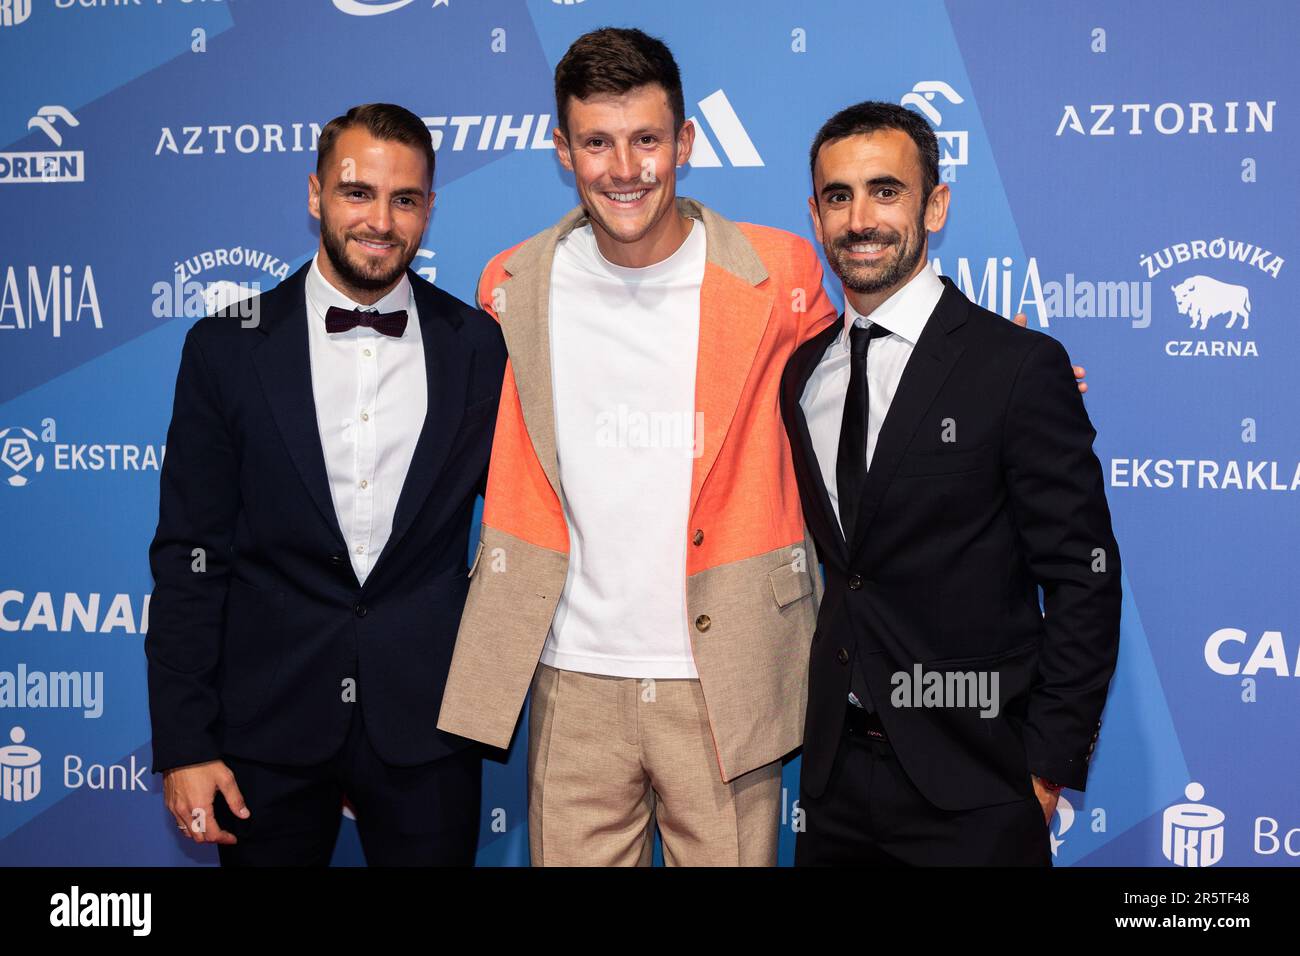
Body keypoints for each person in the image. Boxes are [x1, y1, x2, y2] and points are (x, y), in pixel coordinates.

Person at [436, 27, 835, 866]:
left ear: (684, 143)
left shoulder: (778, 272)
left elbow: (846, 401)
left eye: (647, 140)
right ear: (562, 149)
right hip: (568, 672)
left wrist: (971, 372)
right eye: (597, 142)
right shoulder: (512, 284)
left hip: (728, 671)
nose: (625, 169)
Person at [146, 103, 505, 865]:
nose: (380, 220)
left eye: (404, 199)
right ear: (315, 195)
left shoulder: (478, 346)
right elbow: (188, 557)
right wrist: (184, 744)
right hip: (265, 730)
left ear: (429, 210)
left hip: (430, 728)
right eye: (356, 193)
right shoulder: (225, 347)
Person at [782, 101, 1121, 866]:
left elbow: (1084, 578)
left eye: (885, 190)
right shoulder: (804, 376)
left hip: (977, 783)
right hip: (834, 785)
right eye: (838, 196)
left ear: (934, 205)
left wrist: (1044, 768)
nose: (860, 218)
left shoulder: (1016, 367)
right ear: (814, 214)